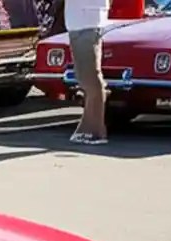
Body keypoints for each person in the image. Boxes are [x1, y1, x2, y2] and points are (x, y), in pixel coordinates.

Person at [65, 0, 111, 144]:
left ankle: (96, 131)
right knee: (86, 78)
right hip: (83, 22)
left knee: (90, 79)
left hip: (86, 23)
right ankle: (89, 128)